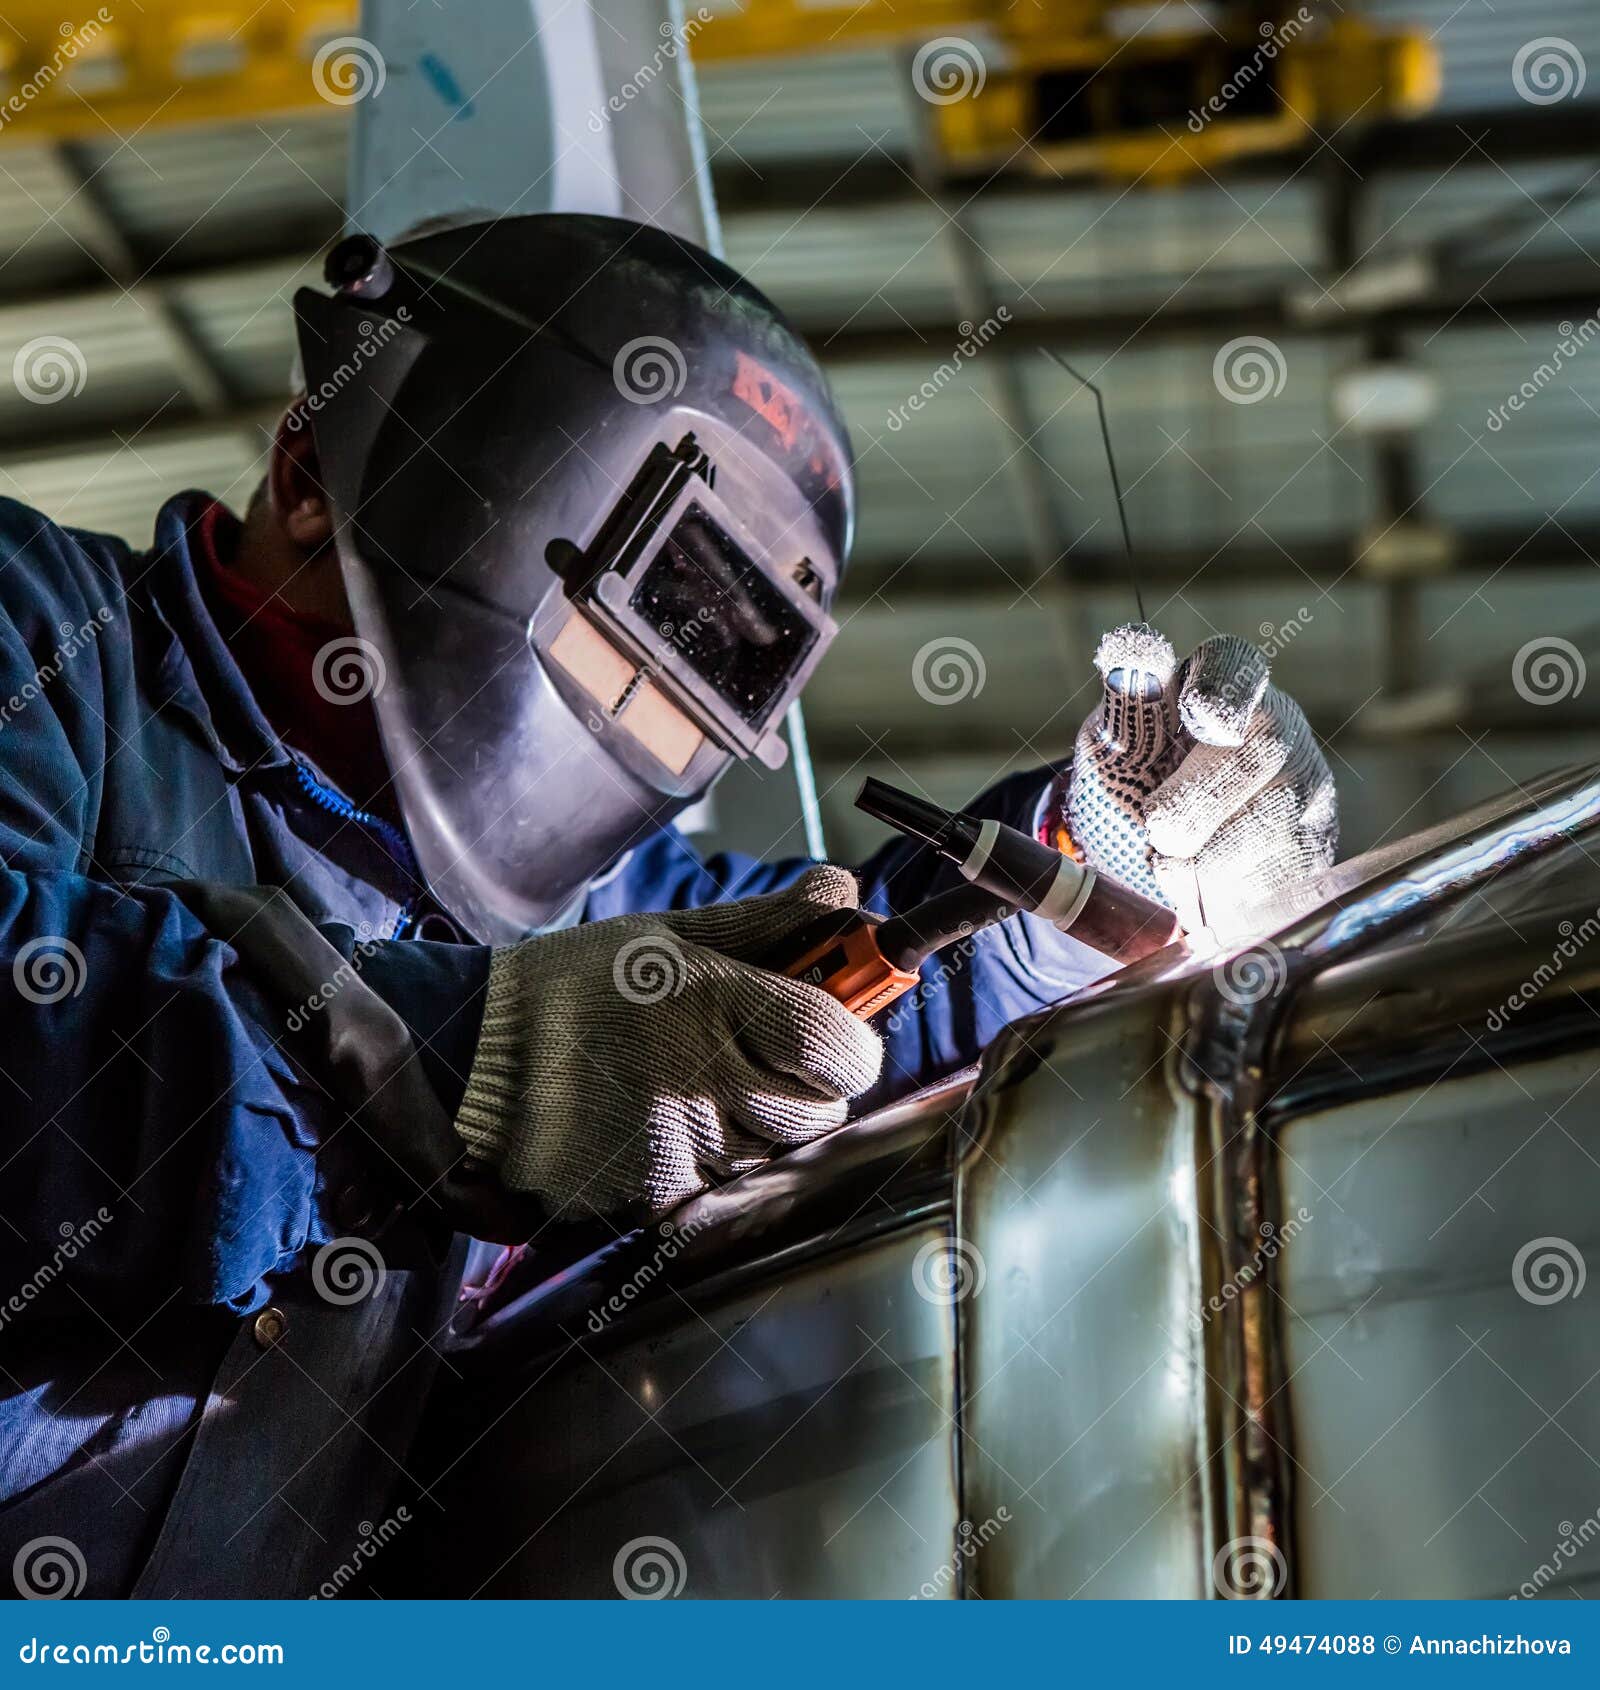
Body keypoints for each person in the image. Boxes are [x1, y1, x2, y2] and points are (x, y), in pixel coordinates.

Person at [0, 213, 1336, 1599]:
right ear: (310, 476)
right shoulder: (39, 635)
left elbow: (858, 975)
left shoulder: (591, 908)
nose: (619, 706)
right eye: (596, 627)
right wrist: (471, 1061)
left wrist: (1091, 852)